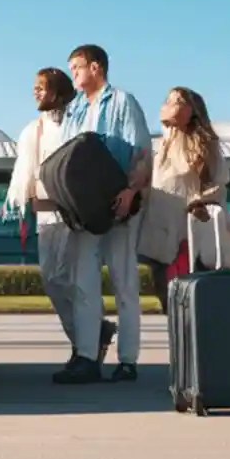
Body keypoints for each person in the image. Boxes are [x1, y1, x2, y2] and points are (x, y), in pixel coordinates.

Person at [2, 67, 116, 368]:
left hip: (75, 216)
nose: (35, 92)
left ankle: (84, 349)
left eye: (41, 87)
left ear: (58, 91)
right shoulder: (33, 130)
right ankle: (93, 335)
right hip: (46, 216)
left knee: (79, 283)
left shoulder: (78, 124)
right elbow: (24, 174)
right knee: (52, 281)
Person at [52, 44, 151, 384]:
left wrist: (131, 191)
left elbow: (141, 151)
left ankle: (128, 360)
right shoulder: (75, 109)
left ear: (96, 67)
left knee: (125, 282)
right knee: (84, 284)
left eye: (77, 67)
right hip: (85, 211)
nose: (74, 74)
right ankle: (86, 357)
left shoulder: (123, 102)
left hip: (119, 202)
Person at [138, 87, 230, 311]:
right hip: (160, 231)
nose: (167, 106)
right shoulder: (160, 145)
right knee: (167, 296)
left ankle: (204, 340)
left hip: (190, 232)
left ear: (192, 110)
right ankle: (181, 343)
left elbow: (217, 184)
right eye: (166, 100)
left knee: (196, 296)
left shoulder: (205, 144)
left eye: (176, 101)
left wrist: (200, 202)